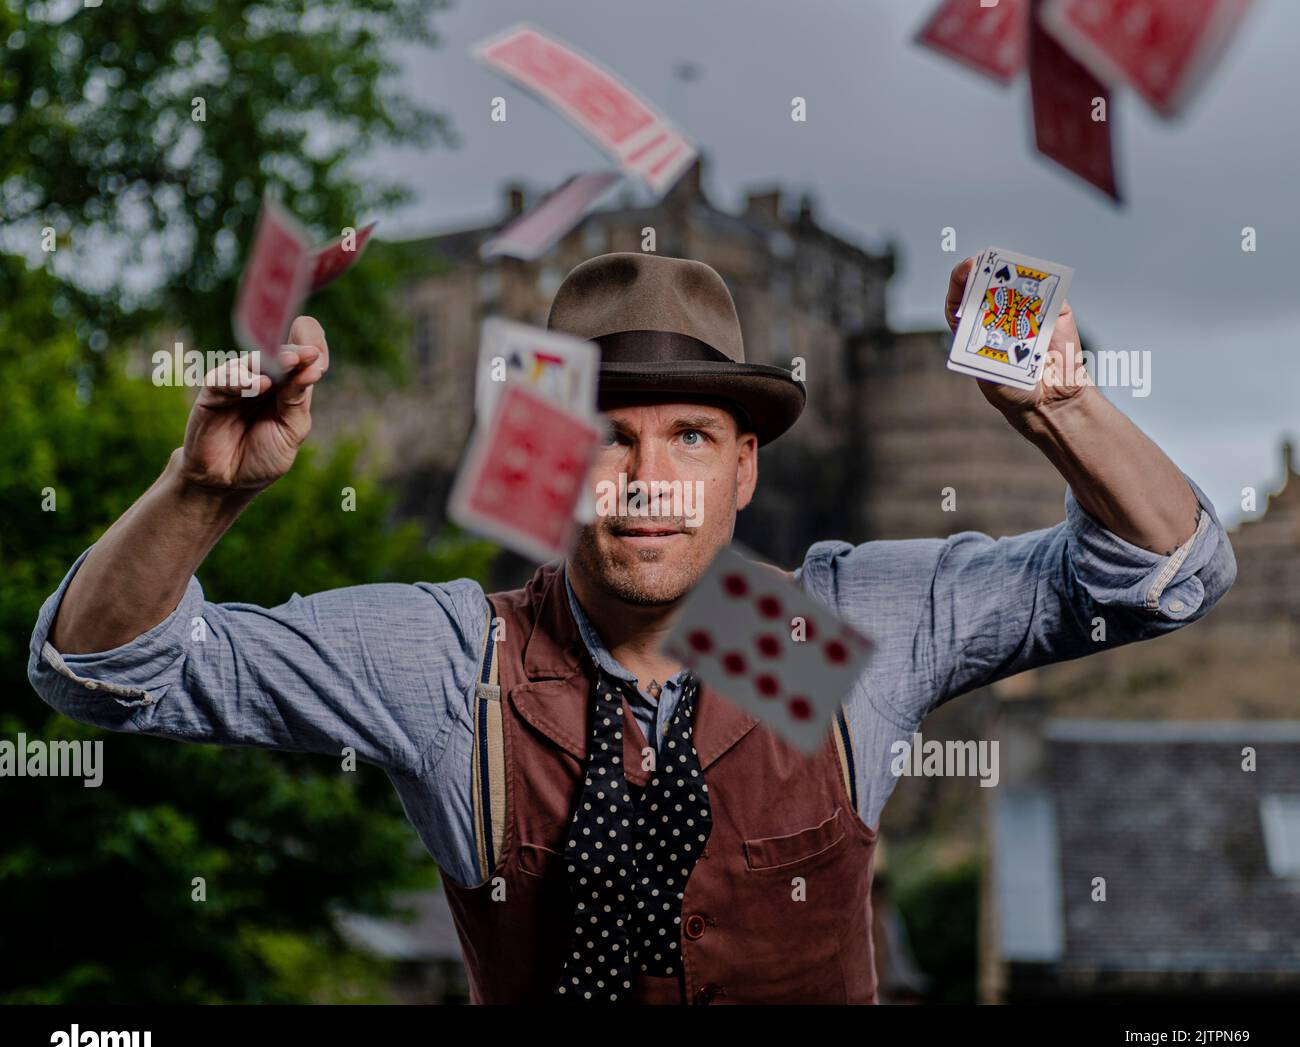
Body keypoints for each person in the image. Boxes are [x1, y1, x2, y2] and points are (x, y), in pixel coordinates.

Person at [28, 252, 1236, 1004]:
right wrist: (204, 491)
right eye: (605, 434)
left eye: (689, 436)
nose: (644, 477)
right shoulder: (458, 663)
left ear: (745, 467)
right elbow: (104, 668)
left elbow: (1163, 572)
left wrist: (1065, 410)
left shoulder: (829, 629)